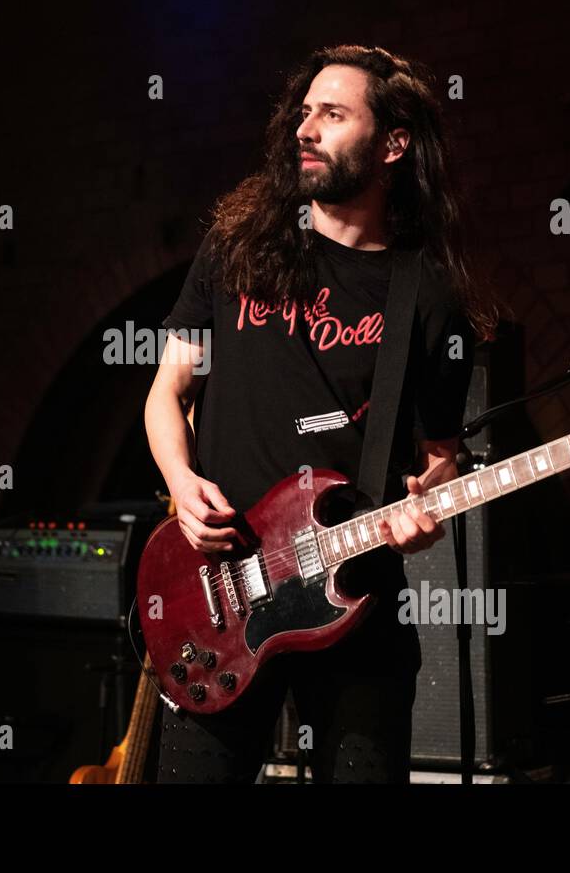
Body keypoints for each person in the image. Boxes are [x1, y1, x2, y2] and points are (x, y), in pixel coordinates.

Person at [143, 44, 499, 783]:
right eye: (304, 113)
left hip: (355, 604)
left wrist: (422, 513)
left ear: (394, 144)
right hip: (217, 594)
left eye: (332, 115)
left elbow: (439, 453)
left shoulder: (424, 296)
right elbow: (167, 392)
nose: (306, 128)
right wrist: (180, 483)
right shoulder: (238, 248)